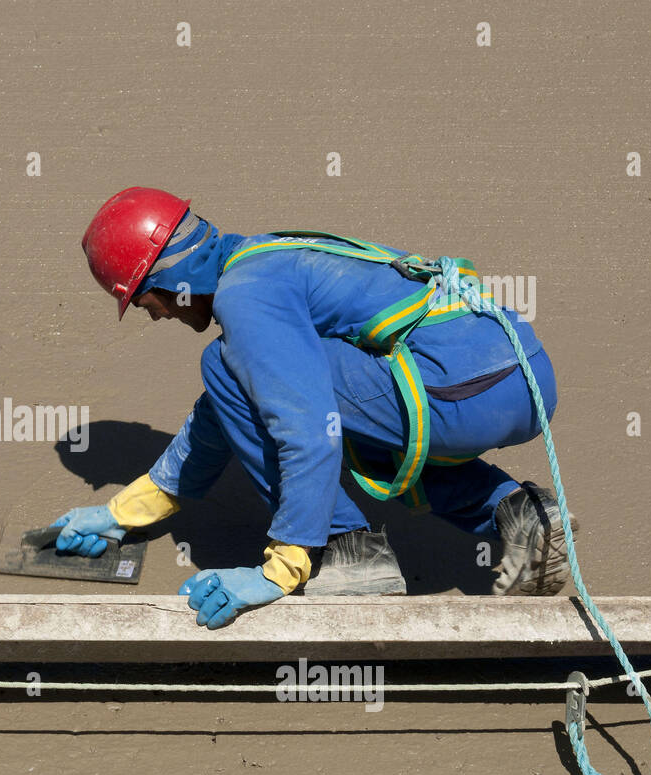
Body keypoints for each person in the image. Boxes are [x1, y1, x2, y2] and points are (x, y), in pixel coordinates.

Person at [52, 187, 575, 628]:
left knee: (238, 371)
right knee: (273, 387)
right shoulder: (263, 258)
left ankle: (347, 554)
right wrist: (122, 514)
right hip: (520, 378)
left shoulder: (245, 296)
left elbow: (305, 429)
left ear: (167, 281)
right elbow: (222, 417)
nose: (153, 316)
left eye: (144, 301)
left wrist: (282, 567)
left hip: (449, 391)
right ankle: (519, 513)